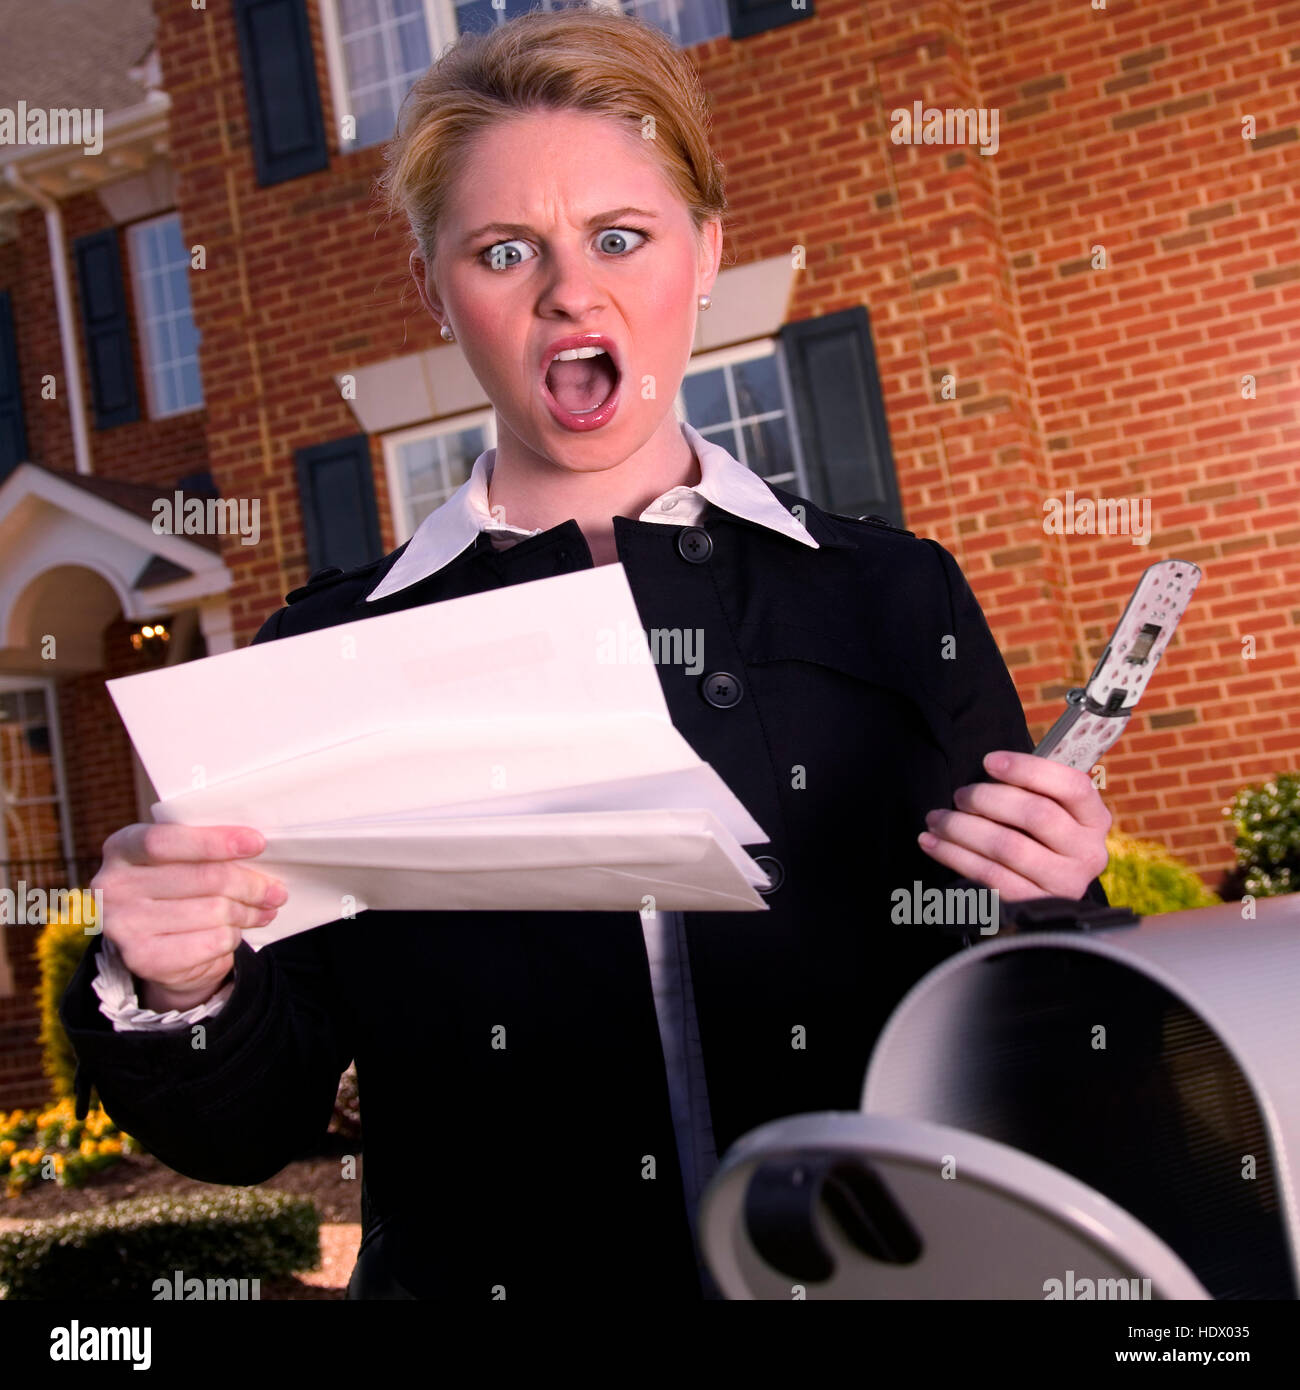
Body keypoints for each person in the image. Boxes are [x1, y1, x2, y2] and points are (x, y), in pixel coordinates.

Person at [60, 4, 1111, 1301]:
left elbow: (1029, 1032)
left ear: (704, 251)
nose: (572, 289)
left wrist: (1050, 898)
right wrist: (177, 979)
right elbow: (246, 1120)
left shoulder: (893, 596)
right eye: (505, 249)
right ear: (436, 289)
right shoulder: (329, 655)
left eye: (621, 235)